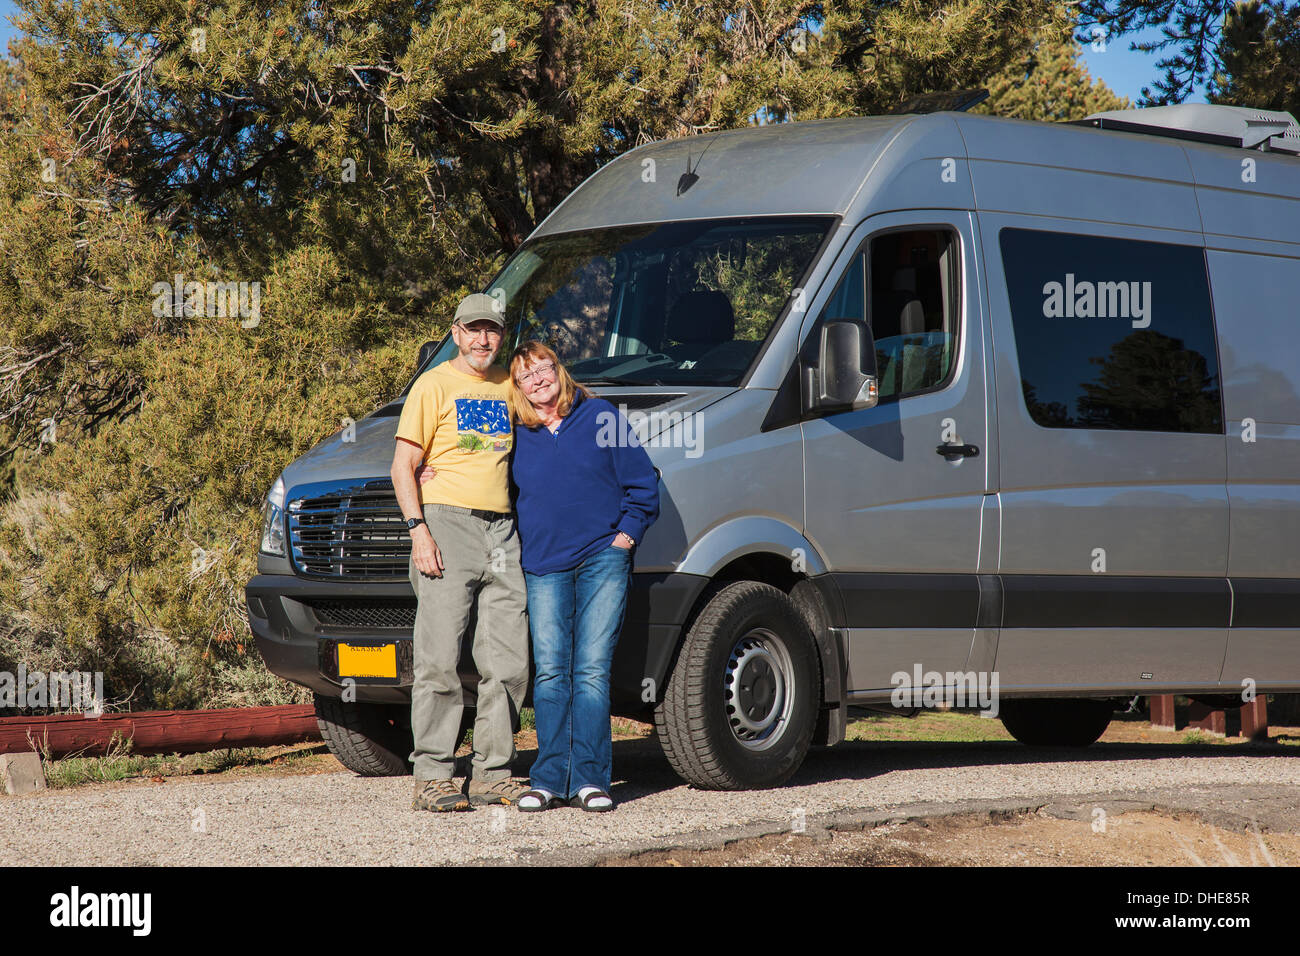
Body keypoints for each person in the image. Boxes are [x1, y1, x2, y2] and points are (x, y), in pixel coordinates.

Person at [391, 293, 531, 812]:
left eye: (492, 330)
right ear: (455, 332)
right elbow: (403, 466)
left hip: (503, 531)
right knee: (439, 659)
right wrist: (418, 530)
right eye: (473, 330)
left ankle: (493, 773)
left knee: (509, 660)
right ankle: (432, 774)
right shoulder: (434, 385)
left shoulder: (508, 385)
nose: (483, 340)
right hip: (446, 525)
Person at [507, 340, 659, 812]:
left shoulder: (601, 417)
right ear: (517, 388)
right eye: (525, 375)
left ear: (559, 369)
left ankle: (592, 780)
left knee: (591, 670)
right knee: (551, 672)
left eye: (544, 368)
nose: (538, 379)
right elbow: (474, 467)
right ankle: (549, 779)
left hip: (602, 558)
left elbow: (644, 483)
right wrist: (431, 471)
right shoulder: (514, 432)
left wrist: (625, 539)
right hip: (543, 563)